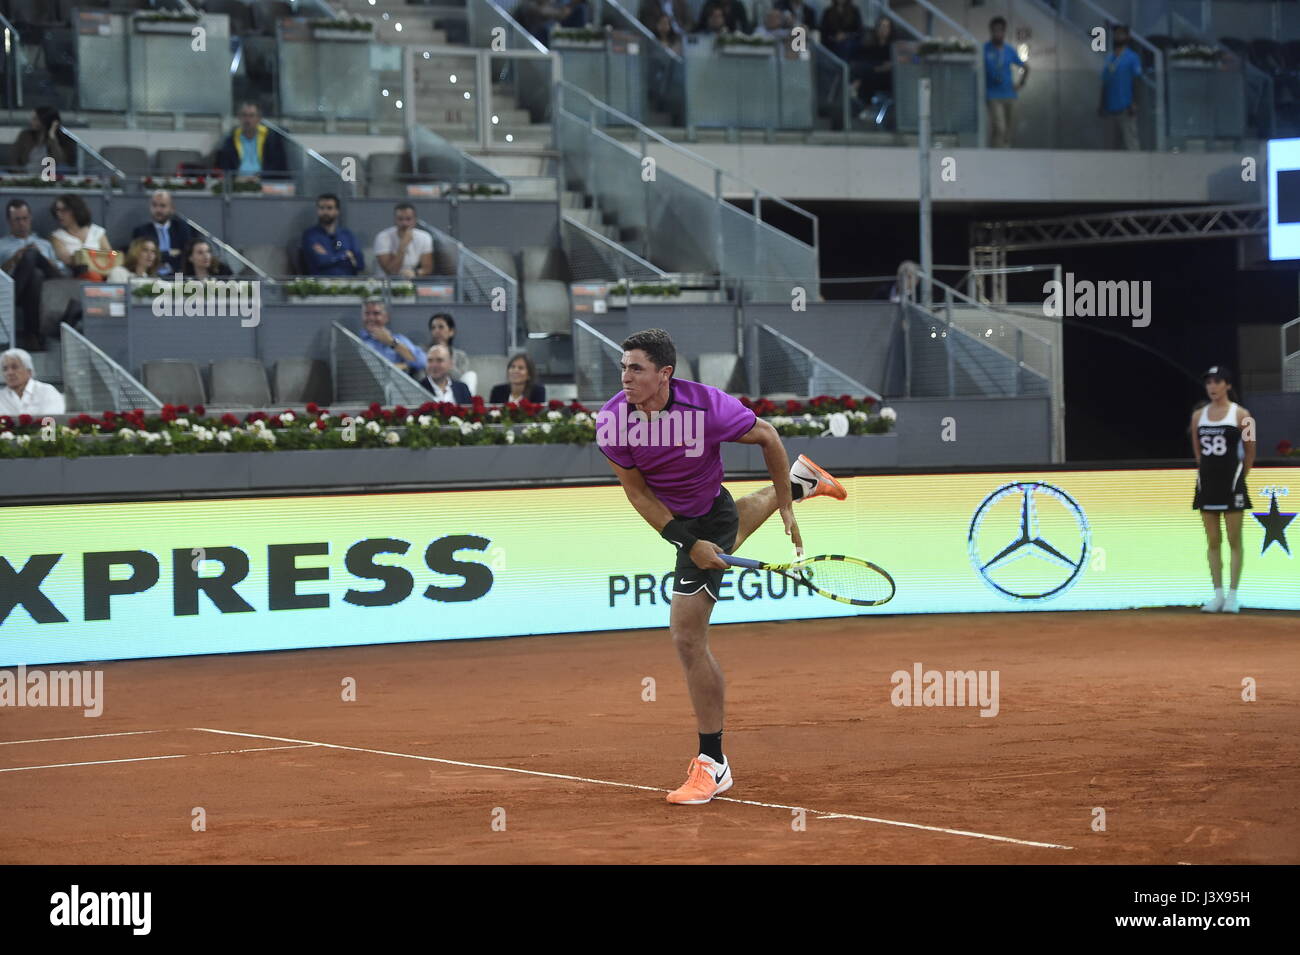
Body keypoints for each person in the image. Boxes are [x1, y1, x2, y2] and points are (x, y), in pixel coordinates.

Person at [600, 329, 846, 804]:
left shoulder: (706, 407)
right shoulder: (613, 418)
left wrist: (786, 517)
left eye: (636, 369)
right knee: (730, 534)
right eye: (623, 367)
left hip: (710, 512)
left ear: (664, 373)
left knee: (686, 637)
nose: (625, 378)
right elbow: (637, 493)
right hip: (682, 522)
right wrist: (687, 543)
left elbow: (768, 436)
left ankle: (713, 764)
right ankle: (798, 483)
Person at [1191, 366, 1256, 614]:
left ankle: (1233, 595)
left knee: (1234, 539)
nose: (1212, 387)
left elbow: (1251, 450)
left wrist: (1240, 478)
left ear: (1228, 385)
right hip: (1207, 482)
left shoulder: (1243, 415)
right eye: (1209, 382)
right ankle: (1217, 594)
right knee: (1213, 540)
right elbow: (1197, 450)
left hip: (1232, 482)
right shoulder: (1198, 416)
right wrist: (1207, 472)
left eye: (1217, 382)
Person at [0, 199, 67, 351]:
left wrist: (39, 257)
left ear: (30, 218)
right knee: (32, 267)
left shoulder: (44, 244)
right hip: (17, 288)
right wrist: (15, 259)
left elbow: (58, 270)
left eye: (25, 219)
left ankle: (31, 335)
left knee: (33, 261)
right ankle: (33, 335)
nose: (22, 223)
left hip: (47, 288)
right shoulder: (2, 245)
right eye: (17, 220)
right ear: (9, 222)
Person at [985, 16, 1028, 148]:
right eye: (995, 30)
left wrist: (1020, 84)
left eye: (1000, 30)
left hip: (1009, 94)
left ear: (1004, 32)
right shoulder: (984, 49)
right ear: (991, 31)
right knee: (999, 127)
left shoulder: (1009, 50)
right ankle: (996, 157)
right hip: (993, 94)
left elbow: (1026, 67)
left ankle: (1004, 154)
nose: (997, 33)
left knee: (1008, 130)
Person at [215, 102, 288, 179]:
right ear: (239, 118)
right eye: (244, 115)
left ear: (258, 119)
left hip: (264, 181)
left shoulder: (272, 138)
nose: (247, 120)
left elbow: (278, 165)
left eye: (251, 116)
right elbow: (226, 166)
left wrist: (260, 176)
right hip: (238, 183)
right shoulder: (230, 140)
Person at [130, 190, 193, 278]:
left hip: (178, 274)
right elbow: (138, 257)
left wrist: (159, 254)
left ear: (172, 208)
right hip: (151, 275)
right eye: (154, 205)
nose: (158, 210)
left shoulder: (181, 228)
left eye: (162, 206)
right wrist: (169, 253)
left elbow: (186, 256)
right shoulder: (141, 231)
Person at [1100, 23, 1142, 150]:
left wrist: (1135, 102)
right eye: (1116, 34)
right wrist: (1102, 104)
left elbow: (1137, 80)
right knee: (1112, 145)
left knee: (1131, 141)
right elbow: (1105, 83)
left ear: (1127, 37)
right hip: (1111, 108)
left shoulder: (1132, 57)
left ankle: (1136, 167)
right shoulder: (1109, 58)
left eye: (1121, 34)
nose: (1117, 36)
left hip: (1126, 107)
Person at [301, 193, 364, 276]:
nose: (325, 211)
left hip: (348, 282)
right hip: (321, 283)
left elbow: (360, 264)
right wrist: (345, 255)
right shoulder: (310, 235)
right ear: (317, 210)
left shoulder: (347, 235)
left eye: (329, 208)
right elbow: (320, 261)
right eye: (321, 208)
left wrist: (330, 257)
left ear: (337, 211)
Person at [359, 298, 425, 376]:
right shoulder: (356, 341)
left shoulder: (399, 339)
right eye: (367, 314)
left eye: (376, 313)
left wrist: (391, 342)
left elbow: (422, 363)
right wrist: (400, 366)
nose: (371, 318)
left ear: (386, 317)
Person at [49, 195, 113, 271]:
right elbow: (67, 260)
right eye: (57, 210)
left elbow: (110, 254)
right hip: (76, 274)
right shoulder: (57, 236)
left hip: (103, 270)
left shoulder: (97, 231)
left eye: (64, 210)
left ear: (76, 210)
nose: (59, 214)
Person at [373, 203, 434, 278]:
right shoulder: (382, 237)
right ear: (395, 220)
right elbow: (392, 272)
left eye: (408, 219)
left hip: (411, 282)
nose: (404, 223)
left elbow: (427, 268)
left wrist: (416, 272)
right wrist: (403, 245)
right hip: (386, 283)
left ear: (415, 220)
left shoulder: (425, 237)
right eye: (400, 219)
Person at [0, 348, 66, 416]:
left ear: (29, 371)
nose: (9, 373)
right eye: (5, 369)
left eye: (15, 367)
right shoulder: (1, 397)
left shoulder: (47, 391)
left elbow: (52, 421)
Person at [12, 106, 77, 173]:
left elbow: (60, 160)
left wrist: (52, 138)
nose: (31, 121)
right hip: (25, 176)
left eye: (35, 119)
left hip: (49, 178)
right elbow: (14, 158)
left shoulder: (64, 139)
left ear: (44, 120)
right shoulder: (25, 136)